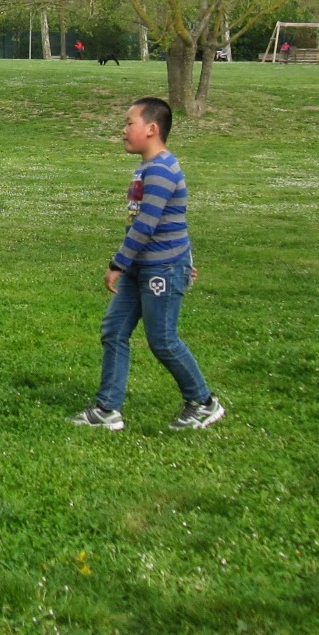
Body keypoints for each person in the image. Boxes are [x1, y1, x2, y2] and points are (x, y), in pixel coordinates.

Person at [71, 97, 223, 433]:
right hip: (145, 265)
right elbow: (173, 220)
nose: (123, 130)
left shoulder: (161, 169)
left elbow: (146, 225)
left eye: (129, 123)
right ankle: (107, 409)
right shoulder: (147, 166)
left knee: (163, 340)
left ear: (152, 129)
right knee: (114, 331)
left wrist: (118, 264)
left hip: (160, 269)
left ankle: (203, 402)